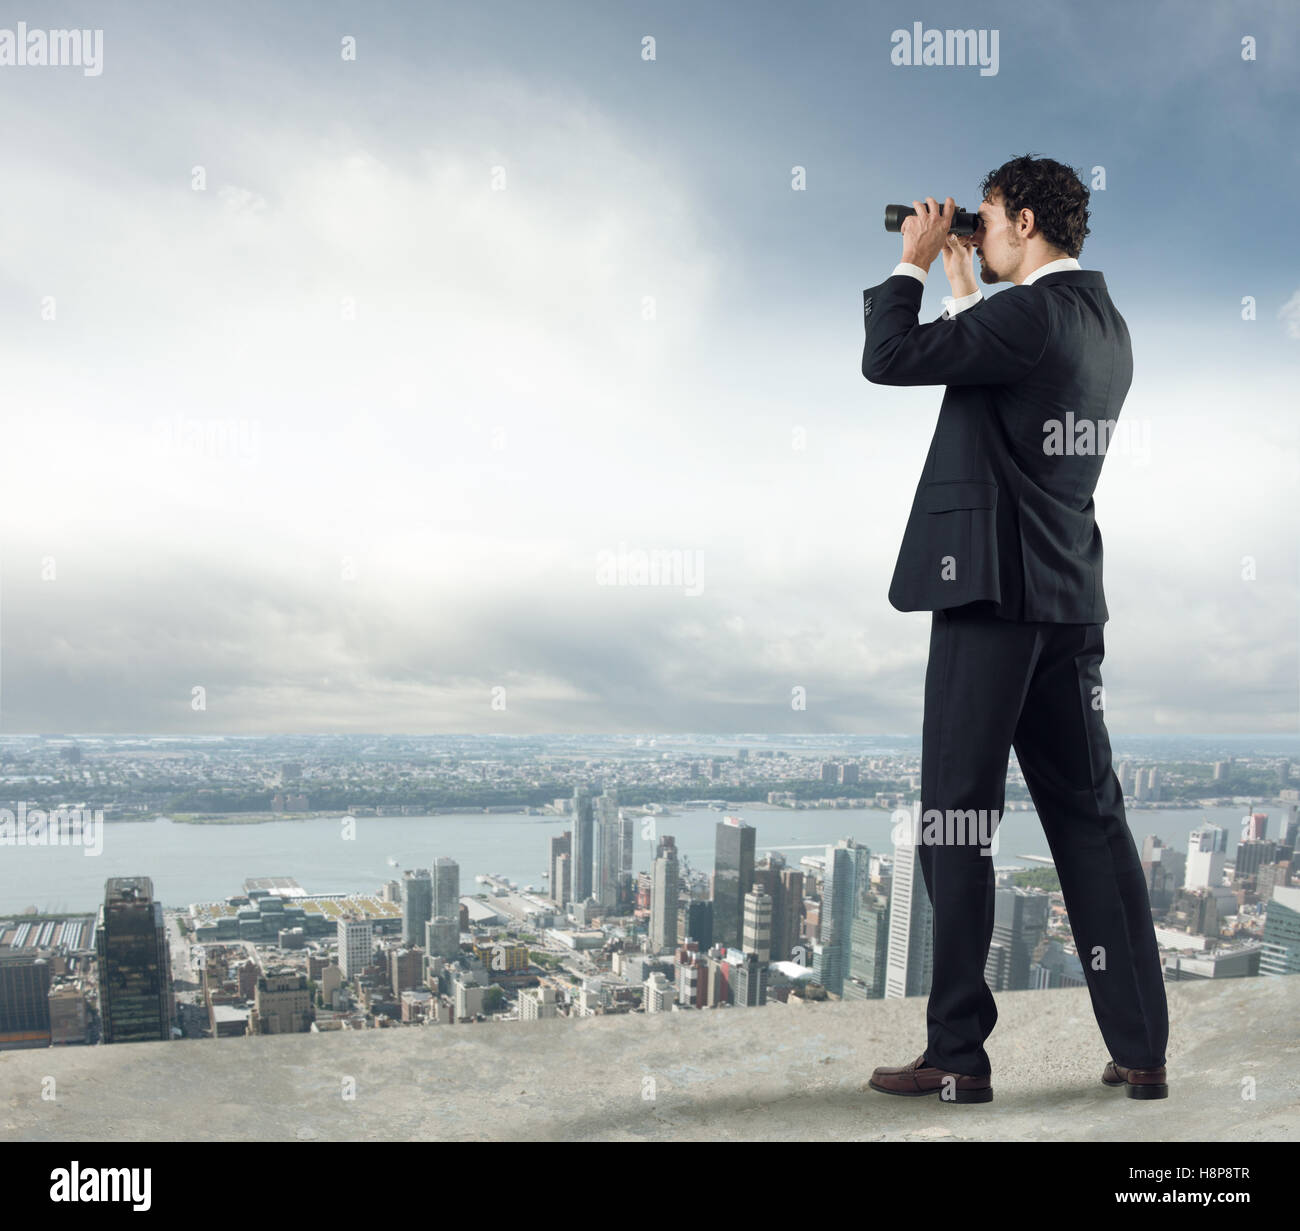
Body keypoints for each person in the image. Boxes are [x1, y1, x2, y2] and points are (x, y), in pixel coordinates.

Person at [860, 154, 1169, 1103]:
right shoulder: (1104, 325)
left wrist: (913, 263)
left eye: (984, 218)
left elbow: (890, 360)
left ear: (1024, 222)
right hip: (1067, 606)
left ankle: (958, 1052)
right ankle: (1143, 1048)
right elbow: (1010, 404)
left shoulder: (1027, 314)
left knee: (957, 819)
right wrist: (968, 293)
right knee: (1091, 820)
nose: (974, 233)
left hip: (991, 601)